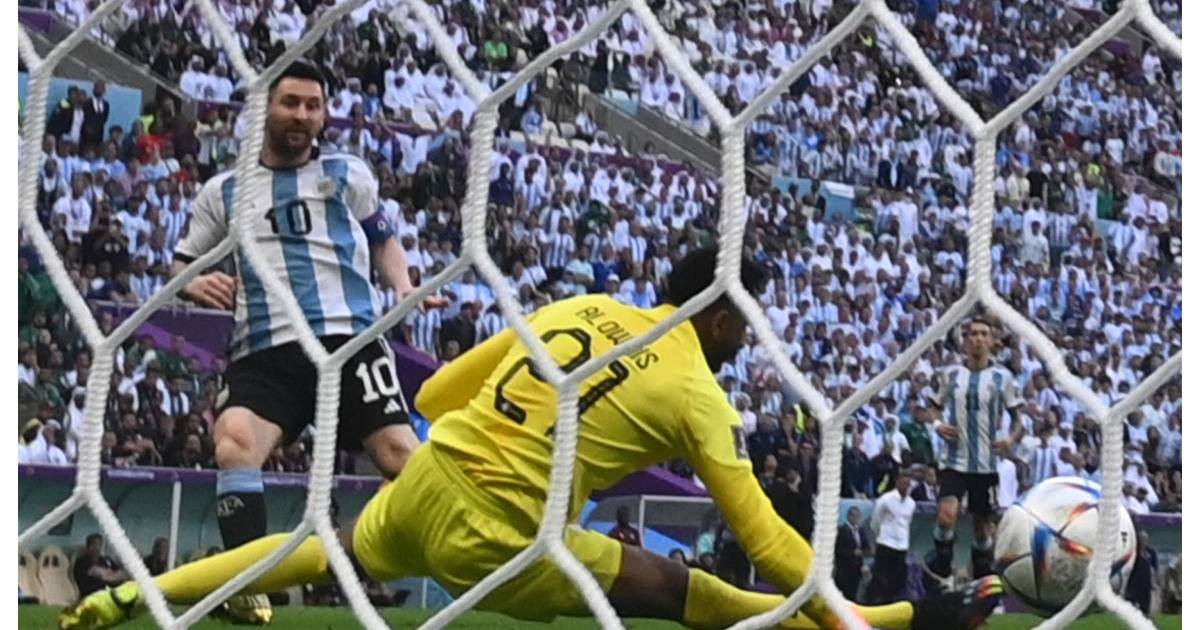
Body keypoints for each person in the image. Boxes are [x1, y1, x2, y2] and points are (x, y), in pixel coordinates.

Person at [61, 248, 1003, 630]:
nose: (747, 340)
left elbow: (447, 387)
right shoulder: (696, 389)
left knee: (313, 548)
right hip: (503, 538)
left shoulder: (591, 307)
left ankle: (124, 605)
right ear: (718, 319)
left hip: (430, 480)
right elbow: (766, 540)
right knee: (689, 589)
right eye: (743, 325)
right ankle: (901, 622)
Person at [166, 61, 431, 624]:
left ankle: (482, 551)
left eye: (314, 105)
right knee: (234, 442)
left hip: (347, 337)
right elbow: (182, 264)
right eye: (291, 103)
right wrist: (192, 282)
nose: (303, 115)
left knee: (401, 458)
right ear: (265, 107)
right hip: (266, 346)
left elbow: (384, 240)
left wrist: (405, 285)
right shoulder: (226, 191)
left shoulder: (346, 172)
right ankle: (244, 583)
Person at [924, 317, 1023, 589]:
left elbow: (1019, 420)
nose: (978, 338)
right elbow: (932, 406)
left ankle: (982, 582)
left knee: (982, 528)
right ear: (966, 340)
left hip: (986, 464)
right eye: (973, 334)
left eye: (983, 334)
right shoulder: (951, 374)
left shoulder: (1003, 378)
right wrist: (937, 424)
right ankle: (941, 569)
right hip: (954, 460)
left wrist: (1010, 440)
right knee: (947, 514)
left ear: (992, 341)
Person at [867, 471, 915, 604]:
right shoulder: (885, 499)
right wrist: (880, 535)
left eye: (908, 484)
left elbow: (908, 522)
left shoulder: (911, 503)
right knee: (880, 577)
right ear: (897, 482)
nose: (906, 487)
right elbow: (875, 520)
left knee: (897, 579)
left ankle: (892, 604)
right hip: (886, 543)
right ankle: (874, 603)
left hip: (902, 546)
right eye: (904, 483)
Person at [834, 506, 870, 602]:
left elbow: (867, 547)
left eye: (859, 517)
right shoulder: (842, 531)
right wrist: (852, 553)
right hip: (844, 569)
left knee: (853, 595)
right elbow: (838, 550)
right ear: (850, 517)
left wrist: (863, 554)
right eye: (856, 516)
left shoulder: (861, 531)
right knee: (842, 595)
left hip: (857, 569)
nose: (858, 519)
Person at [1124, 530, 1157, 616]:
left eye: (1145, 539)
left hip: (1146, 581)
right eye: (1141, 539)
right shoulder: (1133, 552)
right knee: (1130, 601)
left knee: (1145, 605)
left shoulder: (1151, 552)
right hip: (1134, 581)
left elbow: (1155, 568)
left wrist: (1155, 582)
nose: (1143, 541)